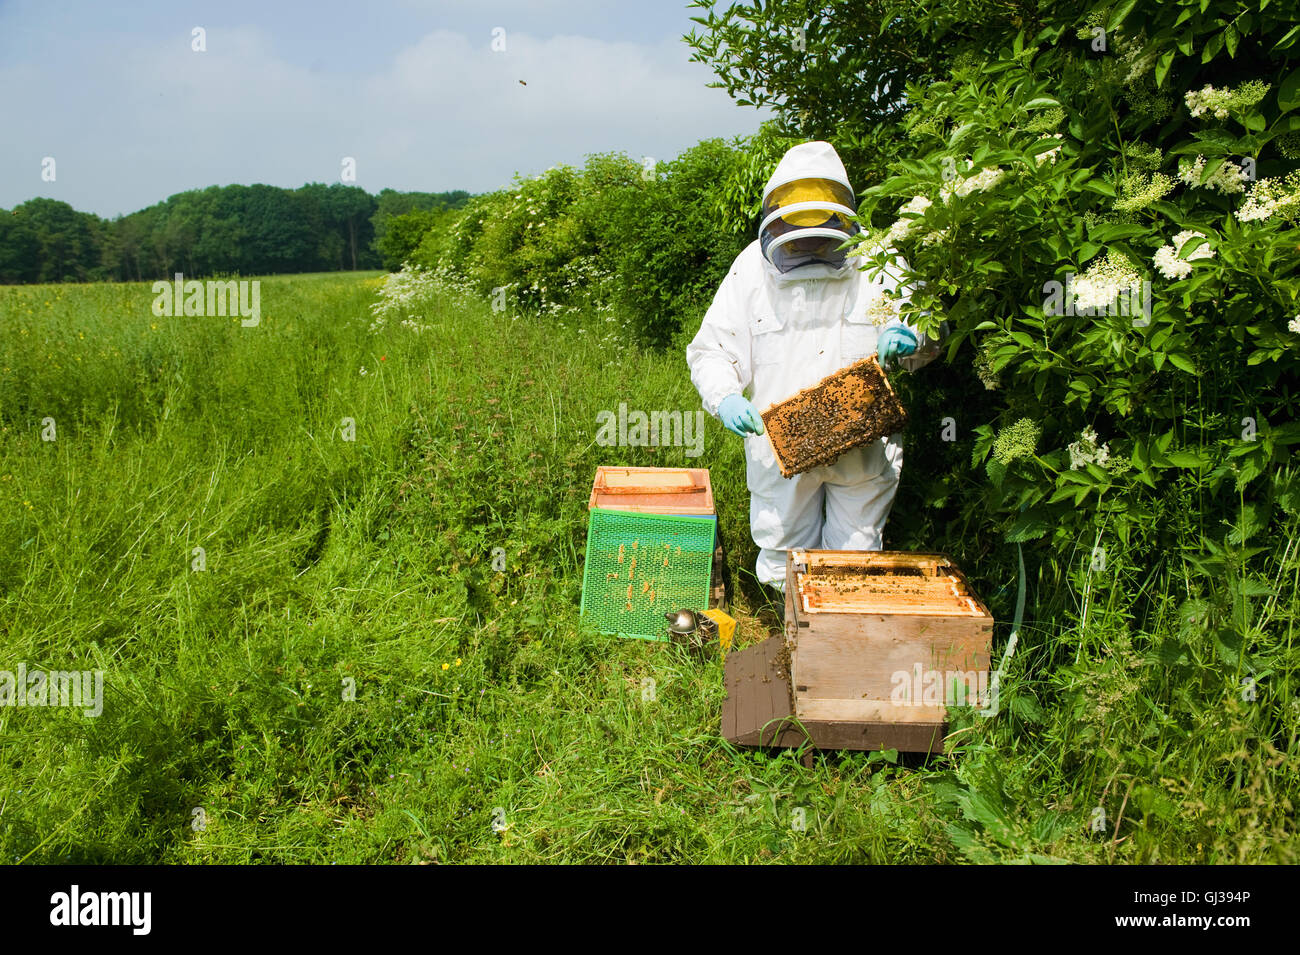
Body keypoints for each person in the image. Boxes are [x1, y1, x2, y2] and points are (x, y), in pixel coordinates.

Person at [686, 140, 940, 593]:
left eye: (819, 232)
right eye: (797, 233)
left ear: (841, 217)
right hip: (780, 445)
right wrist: (724, 396)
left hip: (864, 448)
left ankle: (838, 646)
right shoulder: (750, 269)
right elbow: (711, 350)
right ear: (776, 222)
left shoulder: (880, 261)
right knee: (785, 559)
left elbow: (929, 330)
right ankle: (792, 641)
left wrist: (911, 335)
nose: (807, 244)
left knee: (855, 561)